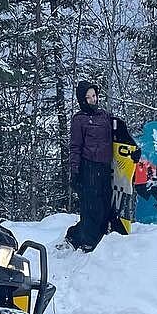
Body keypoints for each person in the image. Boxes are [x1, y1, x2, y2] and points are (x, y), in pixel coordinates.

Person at [66, 81, 118, 251]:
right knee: (92, 207)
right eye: (88, 97)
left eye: (94, 96)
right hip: (88, 167)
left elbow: (118, 135)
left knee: (105, 205)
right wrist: (75, 171)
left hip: (105, 167)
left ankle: (88, 235)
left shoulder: (104, 116)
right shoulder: (79, 119)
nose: (92, 99)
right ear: (82, 100)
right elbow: (75, 146)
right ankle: (86, 241)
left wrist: (132, 149)